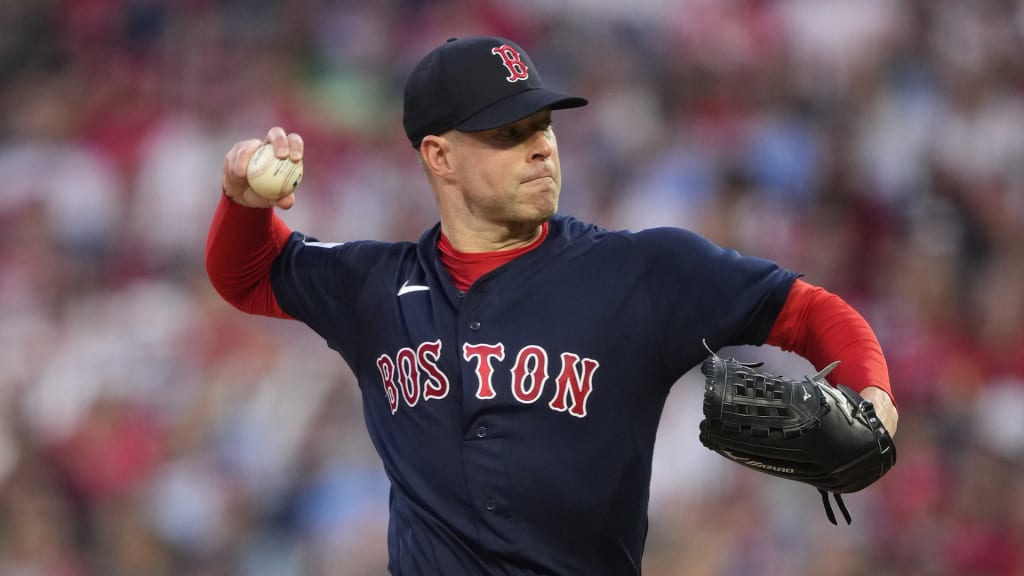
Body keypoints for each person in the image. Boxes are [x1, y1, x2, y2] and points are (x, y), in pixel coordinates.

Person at [206, 36, 898, 575]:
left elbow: (804, 309)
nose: (540, 146)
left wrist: (874, 392)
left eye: (543, 124)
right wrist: (244, 200)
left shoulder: (641, 270)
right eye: (509, 133)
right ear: (440, 157)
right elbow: (246, 273)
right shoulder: (374, 285)